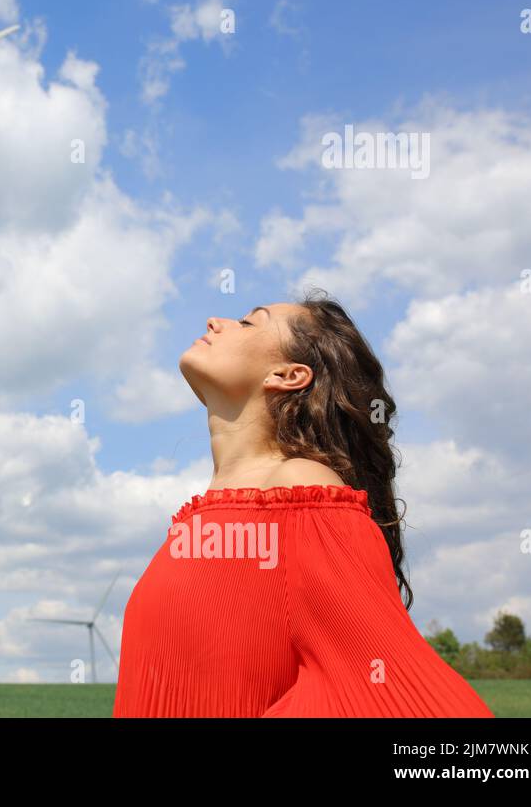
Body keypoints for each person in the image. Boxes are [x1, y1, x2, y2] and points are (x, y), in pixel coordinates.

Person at [112, 288, 494, 717]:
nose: (214, 321)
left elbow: (406, 692)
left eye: (247, 322)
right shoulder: (201, 519)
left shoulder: (303, 495)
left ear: (289, 375)